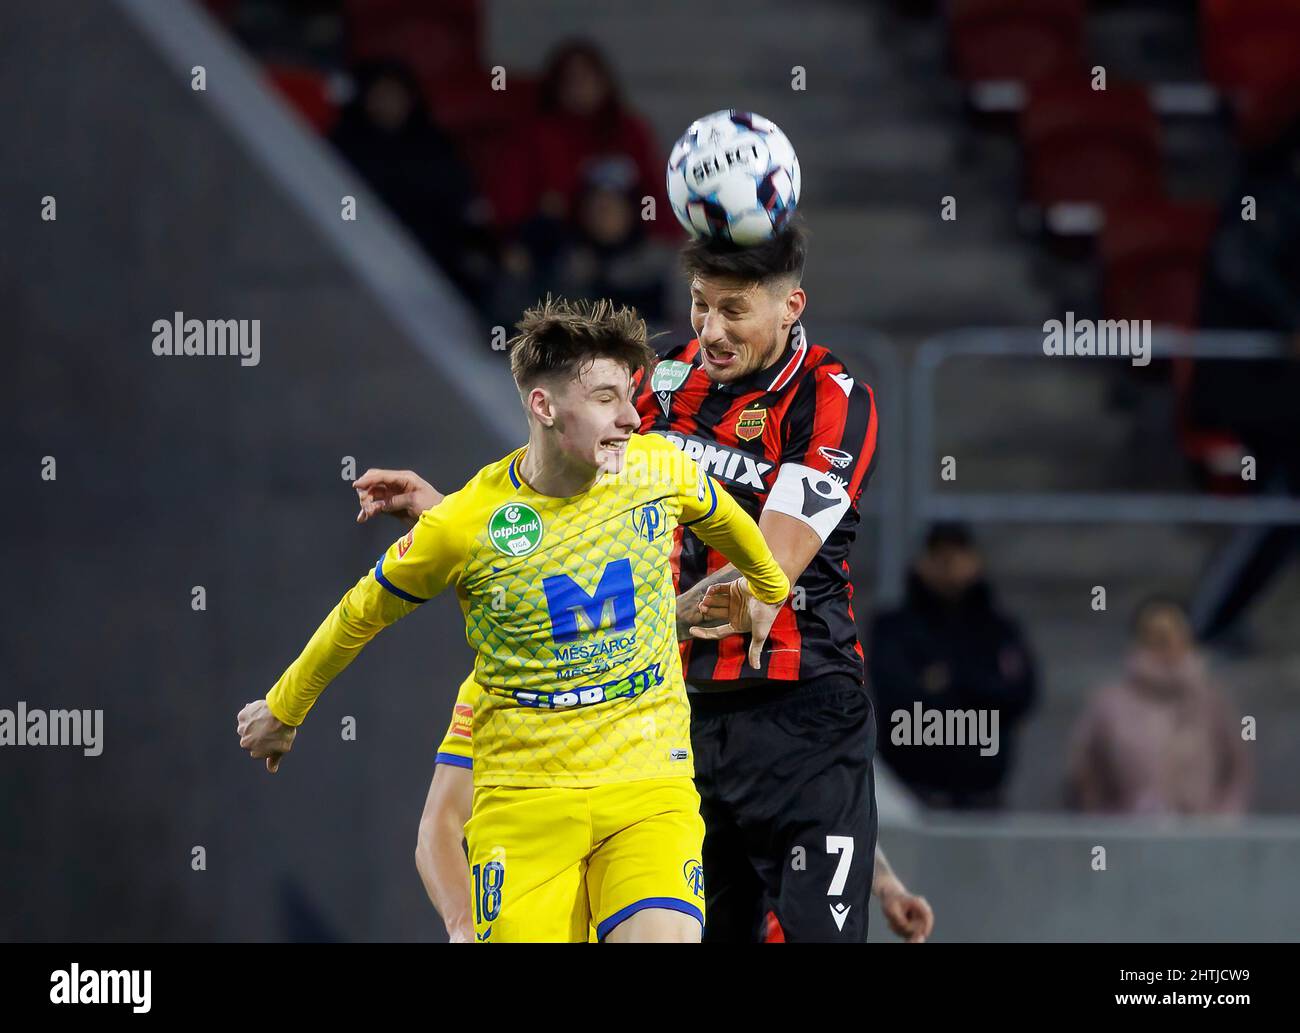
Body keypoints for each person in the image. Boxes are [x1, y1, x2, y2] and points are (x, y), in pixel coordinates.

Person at [360, 221, 884, 942]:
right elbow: (561, 499)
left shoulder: (834, 397)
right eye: (701, 304)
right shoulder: (661, 372)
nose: (711, 329)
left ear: (791, 307)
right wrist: (453, 518)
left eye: (735, 310)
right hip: (671, 716)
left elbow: (771, 568)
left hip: (801, 708)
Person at [236, 297, 791, 943]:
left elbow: (724, 519)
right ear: (544, 407)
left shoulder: (657, 468)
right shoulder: (464, 525)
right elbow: (361, 613)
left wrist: (769, 588)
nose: (630, 416)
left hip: (647, 780)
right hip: (526, 798)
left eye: (630, 395)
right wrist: (285, 708)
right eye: (608, 397)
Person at [414, 671, 934, 943]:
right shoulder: (505, 675)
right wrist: (464, 927)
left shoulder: (669, 669)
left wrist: (881, 880)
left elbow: (809, 792)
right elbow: (439, 822)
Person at [869, 523, 1037, 810]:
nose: (949, 565)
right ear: (923, 562)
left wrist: (953, 679)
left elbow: (1021, 694)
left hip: (985, 798)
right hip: (910, 798)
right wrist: (979, 690)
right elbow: (897, 696)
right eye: (940, 555)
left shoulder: (999, 630)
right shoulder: (893, 627)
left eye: (957, 555)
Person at [1068, 598, 1251, 816]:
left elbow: (1236, 771)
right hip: (1129, 833)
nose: (1168, 644)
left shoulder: (1212, 700)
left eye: (1176, 633)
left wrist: (1222, 822)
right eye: (1157, 636)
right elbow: (1086, 775)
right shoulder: (1109, 704)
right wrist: (1108, 824)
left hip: (1203, 837)